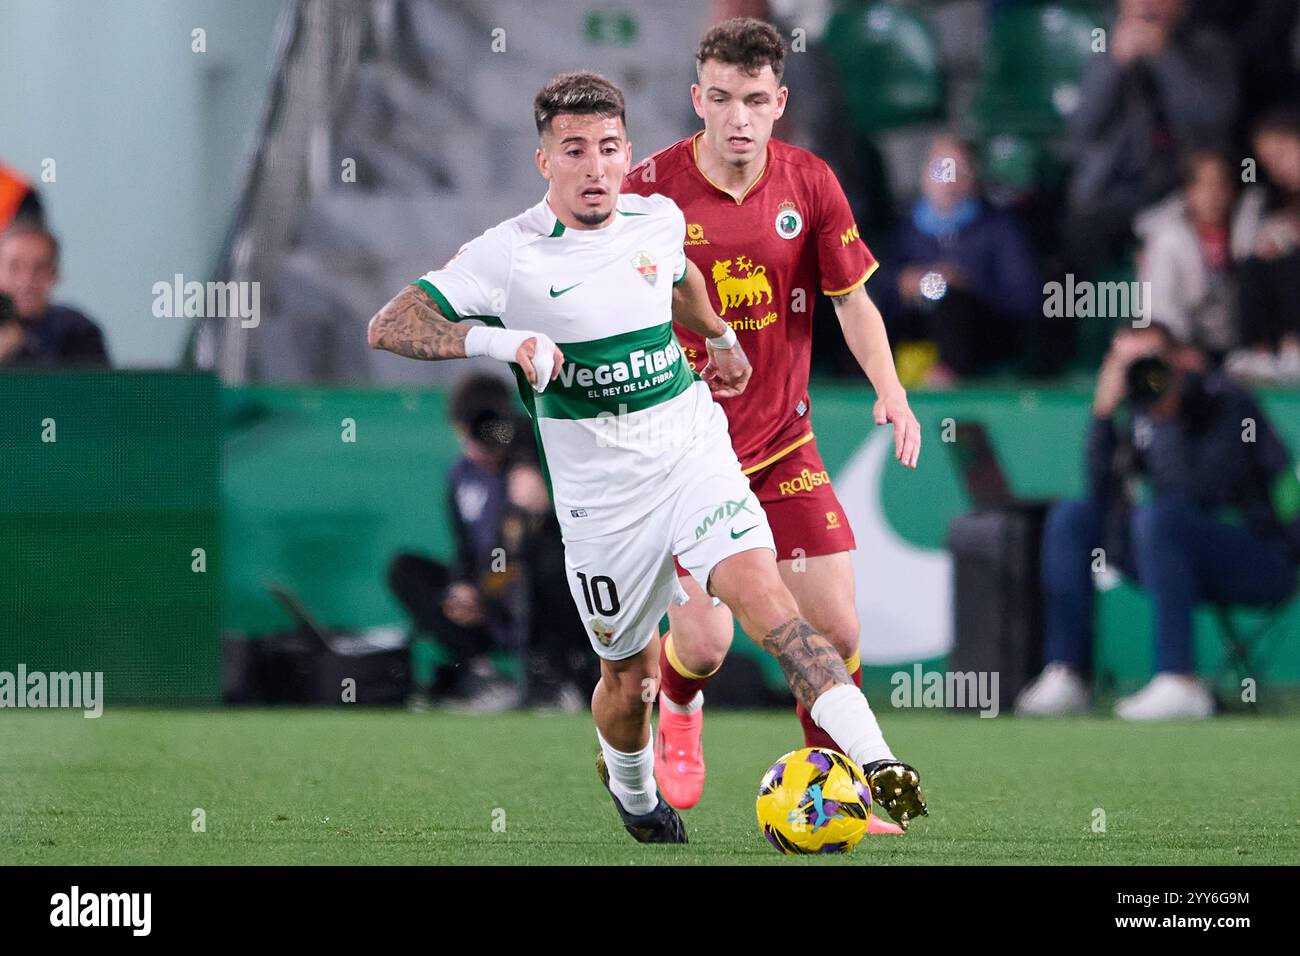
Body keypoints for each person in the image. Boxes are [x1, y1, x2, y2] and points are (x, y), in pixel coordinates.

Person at [367, 71, 926, 842]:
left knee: (777, 614)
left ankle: (878, 764)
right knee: (628, 684)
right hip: (603, 507)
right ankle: (635, 798)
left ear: (625, 152)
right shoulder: (510, 255)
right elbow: (391, 324)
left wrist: (723, 339)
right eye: (574, 150)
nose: (593, 167)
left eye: (606, 148)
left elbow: (681, 279)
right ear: (544, 162)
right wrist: (505, 340)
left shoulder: (655, 219)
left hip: (692, 454)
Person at [620, 17, 920, 821]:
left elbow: (851, 301)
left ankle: (836, 792)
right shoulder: (647, 193)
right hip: (681, 454)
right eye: (721, 99)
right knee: (710, 645)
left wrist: (890, 389)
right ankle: (680, 705)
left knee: (835, 625)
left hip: (783, 440)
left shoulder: (811, 182)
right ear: (698, 99)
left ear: (780, 101)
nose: (738, 118)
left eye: (755, 100)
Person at [1016, 323, 1300, 720]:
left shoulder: (1225, 402)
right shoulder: (1134, 410)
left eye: (1148, 360)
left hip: (1260, 557)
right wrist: (1102, 416)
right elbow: (1100, 494)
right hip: (1174, 549)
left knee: (1160, 519)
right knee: (1073, 517)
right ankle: (1068, 674)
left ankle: (1179, 681)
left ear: (1178, 360)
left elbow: (1201, 495)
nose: (1141, 372)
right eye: (1126, 364)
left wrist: (1169, 414)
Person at [388, 374, 590, 711]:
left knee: (551, 561)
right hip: (489, 595)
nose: (476, 444)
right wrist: (463, 587)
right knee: (406, 570)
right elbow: (465, 549)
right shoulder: (461, 476)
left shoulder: (541, 456)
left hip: (547, 601)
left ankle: (556, 676)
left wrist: (549, 502)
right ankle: (481, 673)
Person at [1065, 0, 1237, 276]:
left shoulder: (1210, 44)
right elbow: (1083, 126)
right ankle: (1098, 315)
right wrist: (1113, 64)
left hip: (1183, 184)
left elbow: (1213, 116)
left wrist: (1165, 56)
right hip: (1115, 185)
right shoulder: (1103, 45)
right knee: (1081, 228)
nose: (1145, 6)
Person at [877, 133, 1040, 386]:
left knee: (952, 304)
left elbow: (1026, 299)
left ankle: (947, 381)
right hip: (916, 329)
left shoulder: (1000, 227)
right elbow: (877, 283)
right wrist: (903, 282)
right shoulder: (904, 228)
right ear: (924, 175)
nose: (949, 182)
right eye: (941, 170)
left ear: (975, 179)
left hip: (980, 337)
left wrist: (967, 285)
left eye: (959, 171)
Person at [1134, 150, 1254, 358]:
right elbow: (1159, 307)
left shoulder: (1248, 234)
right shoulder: (1168, 239)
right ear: (1189, 192)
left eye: (1221, 185)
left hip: (1239, 350)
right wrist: (1180, 347)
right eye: (1204, 186)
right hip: (1180, 349)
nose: (1213, 195)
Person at [1226, 109, 1300, 384]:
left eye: (1281, 156)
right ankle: (1259, 352)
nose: (1277, 170)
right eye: (1269, 163)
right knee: (1255, 262)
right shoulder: (1274, 200)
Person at [0, 222, 110, 369]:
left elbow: (96, 388)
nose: (26, 281)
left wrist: (23, 349)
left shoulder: (78, 331)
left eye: (39, 268)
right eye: (14, 267)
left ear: (55, 274)